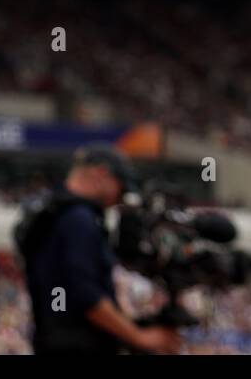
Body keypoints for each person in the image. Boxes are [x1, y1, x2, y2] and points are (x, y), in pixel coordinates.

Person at [15, 143, 179, 355]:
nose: (118, 198)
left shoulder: (53, 211)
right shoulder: (78, 218)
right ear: (101, 172)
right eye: (120, 187)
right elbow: (86, 296)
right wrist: (141, 338)